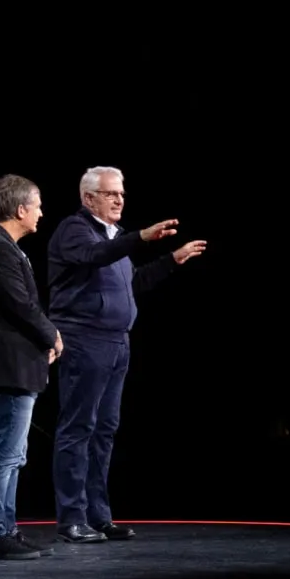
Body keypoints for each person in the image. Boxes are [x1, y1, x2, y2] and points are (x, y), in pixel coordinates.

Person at [43, 165, 207, 543]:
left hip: (118, 342)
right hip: (85, 341)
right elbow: (95, 257)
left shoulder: (114, 237)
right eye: (110, 193)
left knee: (105, 431)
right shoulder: (75, 230)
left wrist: (172, 260)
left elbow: (132, 283)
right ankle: (72, 518)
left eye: (121, 193)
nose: (119, 199)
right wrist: (140, 237)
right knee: (78, 428)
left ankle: (99, 516)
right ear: (88, 198)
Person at [0, 175, 59, 562]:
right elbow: (20, 305)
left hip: (16, 364)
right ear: (20, 210)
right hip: (8, 366)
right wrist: (52, 334)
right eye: (37, 205)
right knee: (5, 452)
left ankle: (6, 528)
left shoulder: (3, 246)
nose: (41, 212)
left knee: (13, 452)